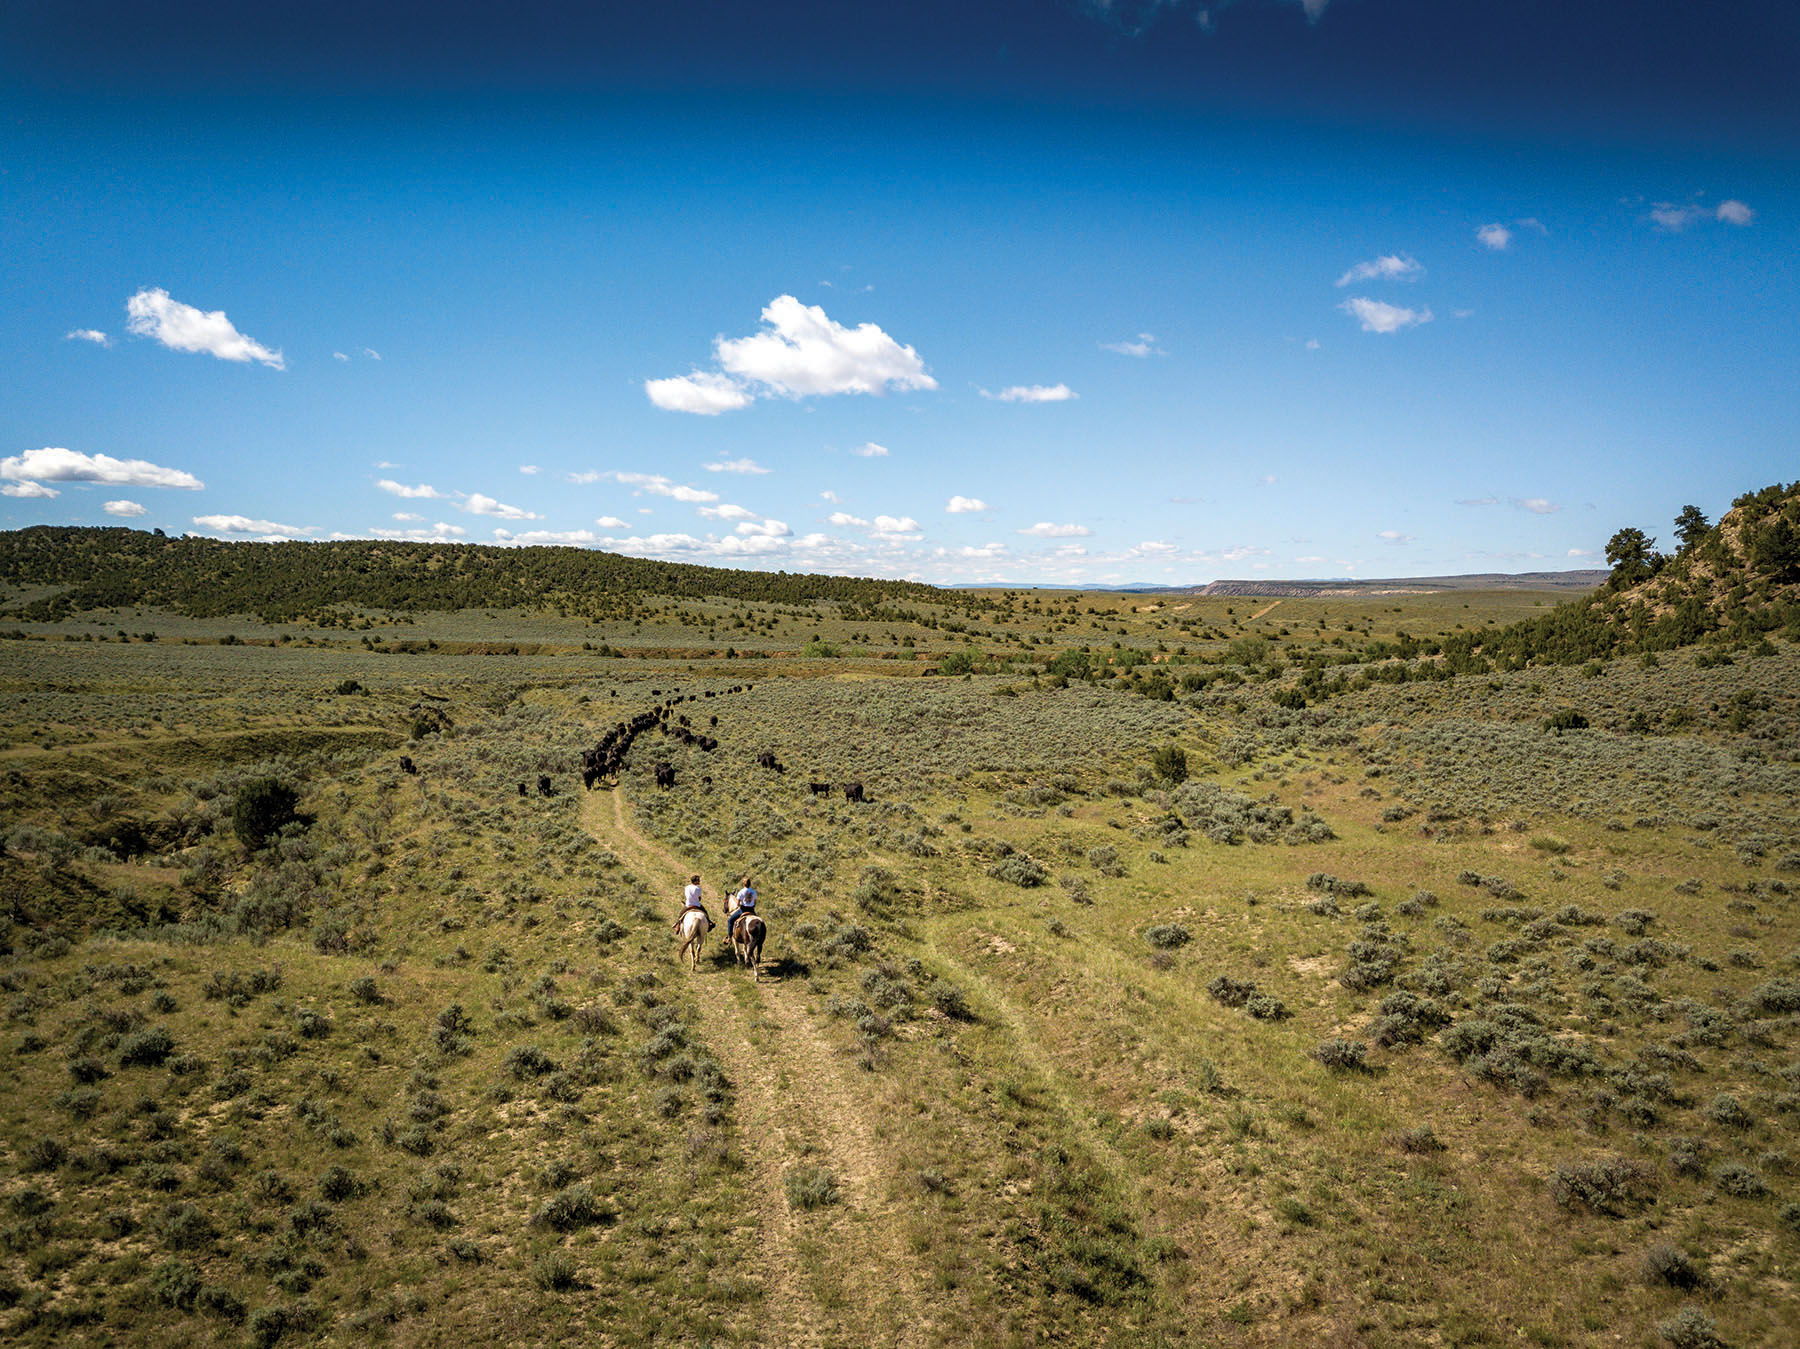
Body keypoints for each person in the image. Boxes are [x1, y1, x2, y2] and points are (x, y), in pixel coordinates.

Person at [725, 875, 757, 939]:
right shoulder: (754, 891)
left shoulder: (741, 892)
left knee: (730, 920)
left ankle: (729, 937)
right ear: (750, 884)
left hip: (743, 910)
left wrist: (740, 905)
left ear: (743, 884)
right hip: (751, 910)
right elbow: (755, 902)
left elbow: (738, 903)